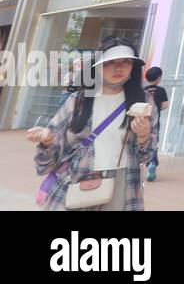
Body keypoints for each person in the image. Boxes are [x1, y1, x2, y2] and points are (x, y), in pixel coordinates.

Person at [27, 37, 157, 211]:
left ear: (133, 67)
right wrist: (47, 140)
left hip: (123, 185)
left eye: (126, 61)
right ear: (98, 67)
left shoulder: (144, 102)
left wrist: (143, 135)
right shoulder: (77, 102)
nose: (119, 67)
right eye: (110, 62)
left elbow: (147, 156)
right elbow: (50, 159)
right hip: (78, 180)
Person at [143, 66, 169, 182]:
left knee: (144, 142)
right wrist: (156, 109)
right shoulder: (161, 90)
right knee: (153, 142)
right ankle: (152, 162)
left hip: (143, 121)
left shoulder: (143, 90)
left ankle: (147, 162)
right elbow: (165, 105)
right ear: (158, 78)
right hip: (155, 120)